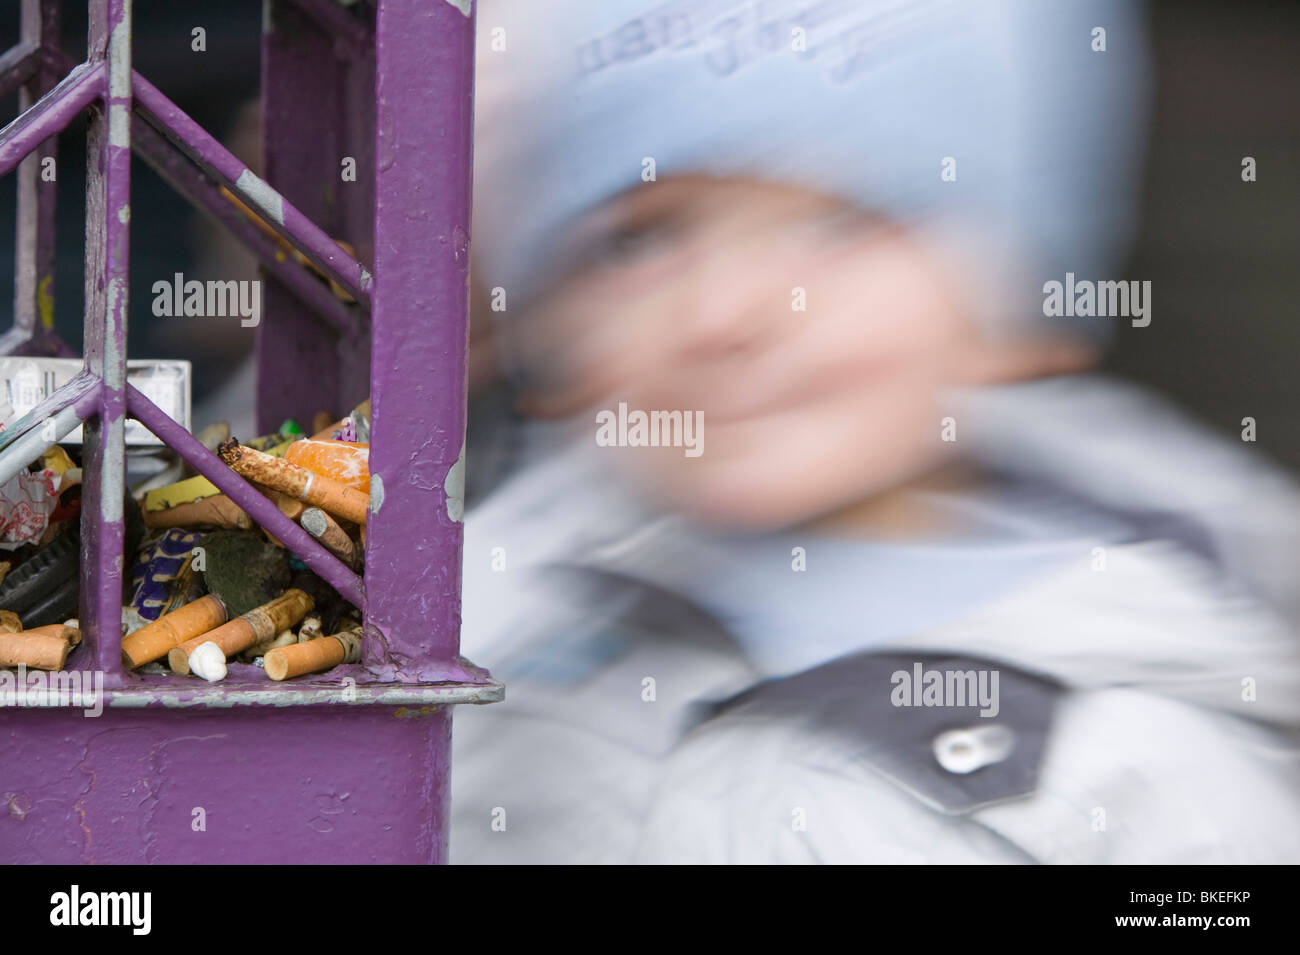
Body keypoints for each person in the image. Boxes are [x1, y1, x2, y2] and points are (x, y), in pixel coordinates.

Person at [451, 0, 1300, 863]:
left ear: (1009, 311)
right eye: (639, 240)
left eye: (837, 225)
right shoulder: (479, 619)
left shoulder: (1145, 760)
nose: (721, 313)